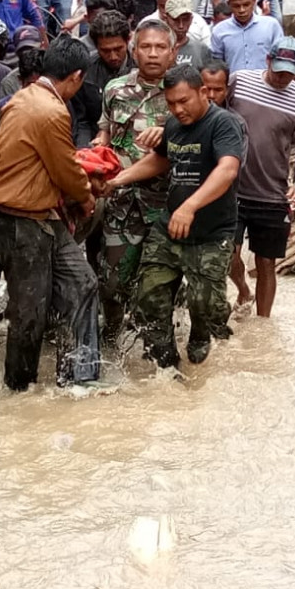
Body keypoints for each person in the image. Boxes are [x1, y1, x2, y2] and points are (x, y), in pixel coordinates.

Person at [0, 37, 101, 391]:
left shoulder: (25, 96)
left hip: (36, 215)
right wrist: (86, 196)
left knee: (83, 283)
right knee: (29, 312)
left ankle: (80, 377)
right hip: (21, 220)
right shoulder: (52, 110)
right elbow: (65, 169)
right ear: (76, 76)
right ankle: (19, 391)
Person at [104, 64, 243, 368]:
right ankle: (166, 362)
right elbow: (161, 159)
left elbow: (228, 169)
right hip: (169, 228)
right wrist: (119, 179)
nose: (178, 109)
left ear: (203, 92)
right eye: (171, 103)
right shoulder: (173, 125)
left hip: (210, 232)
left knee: (206, 305)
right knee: (148, 295)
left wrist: (190, 206)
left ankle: (203, 329)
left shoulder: (224, 124)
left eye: (184, 101)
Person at [92, 21, 174, 346]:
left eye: (160, 47)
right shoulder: (115, 89)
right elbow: (106, 131)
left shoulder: (182, 91)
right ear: (134, 50)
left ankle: (159, 356)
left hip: (166, 207)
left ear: (173, 52)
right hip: (121, 204)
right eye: (146, 47)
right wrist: (98, 148)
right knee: (111, 284)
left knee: (159, 289)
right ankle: (112, 339)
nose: (153, 54)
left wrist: (168, 135)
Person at [227, 37, 295, 318]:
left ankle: (264, 323)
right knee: (227, 253)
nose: (281, 78)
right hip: (231, 188)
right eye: (278, 71)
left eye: (289, 73)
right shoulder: (239, 82)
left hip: (273, 192)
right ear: (267, 60)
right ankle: (242, 289)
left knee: (267, 263)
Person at [72, 9, 134, 147]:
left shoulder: (143, 67)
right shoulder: (85, 72)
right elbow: (82, 121)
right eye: (105, 51)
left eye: (118, 49)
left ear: (128, 39)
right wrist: (84, 150)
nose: (113, 56)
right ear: (95, 46)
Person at [210, 0, 284, 72]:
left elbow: (280, 59)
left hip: (264, 86)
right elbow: (217, 66)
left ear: (254, 1)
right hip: (234, 85)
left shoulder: (271, 26)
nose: (242, 10)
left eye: (246, 5)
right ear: (229, 4)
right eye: (236, 6)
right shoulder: (219, 31)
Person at [162, 0, 211, 68]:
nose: (181, 26)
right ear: (166, 19)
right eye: (176, 20)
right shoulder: (156, 48)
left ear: (191, 19)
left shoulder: (201, 50)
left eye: (185, 20)